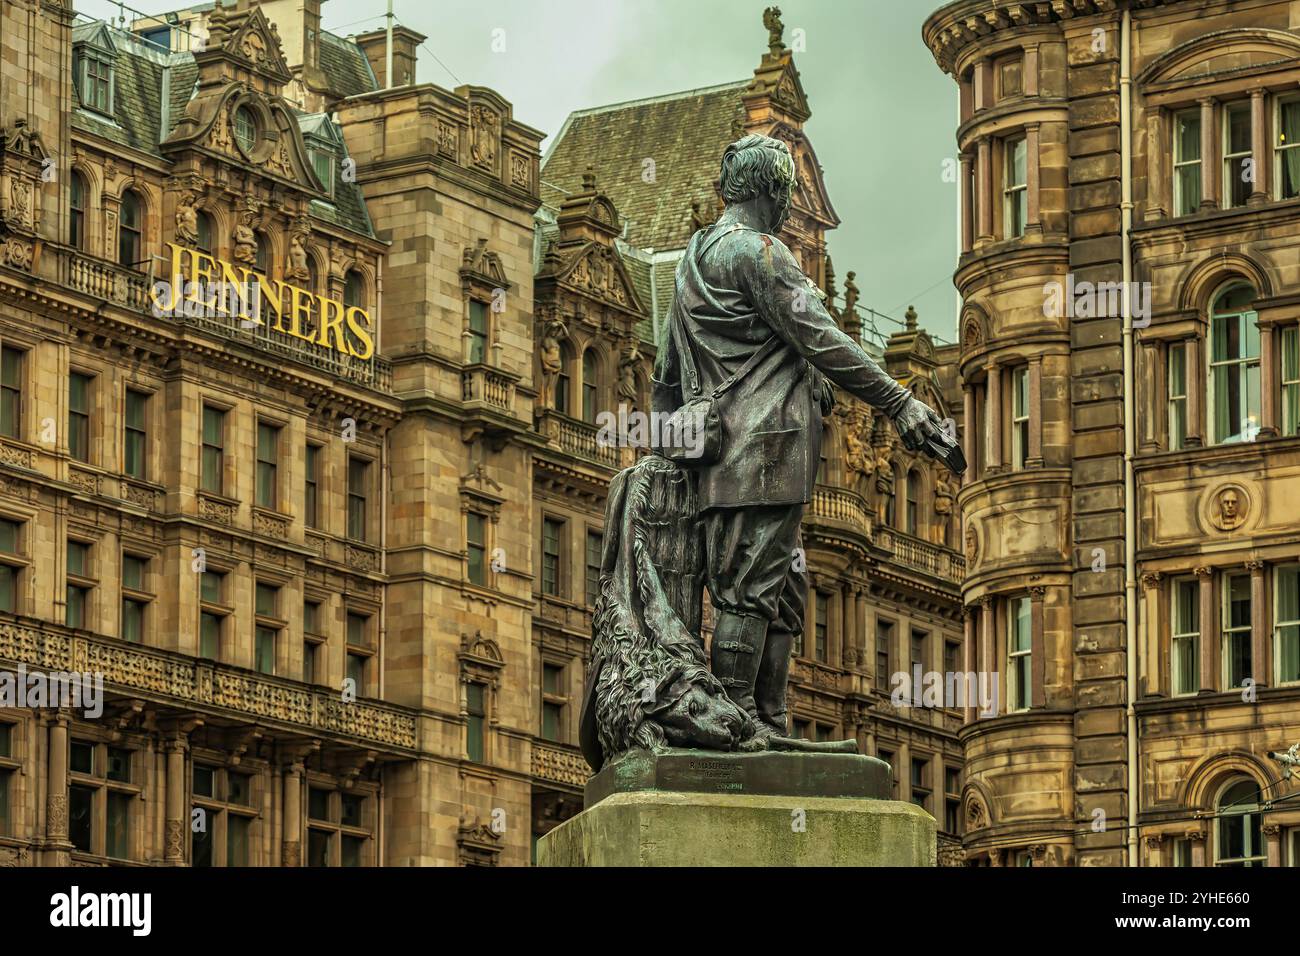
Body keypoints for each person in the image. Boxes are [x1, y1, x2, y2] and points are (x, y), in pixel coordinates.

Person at [652, 133, 951, 746]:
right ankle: (734, 725)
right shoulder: (762, 255)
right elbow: (824, 340)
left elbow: (666, 372)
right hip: (762, 450)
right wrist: (899, 401)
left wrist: (668, 450)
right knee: (746, 594)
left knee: (784, 590)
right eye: (788, 192)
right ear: (772, 192)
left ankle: (770, 719)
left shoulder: (692, 259)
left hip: (725, 454)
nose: (791, 207)